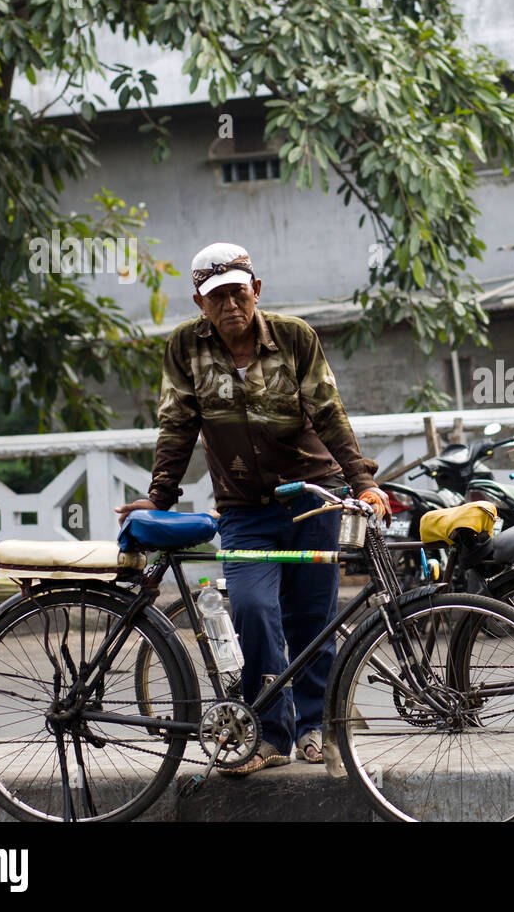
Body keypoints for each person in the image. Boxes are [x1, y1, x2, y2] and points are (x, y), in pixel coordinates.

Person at [115, 242, 389, 775]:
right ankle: (269, 733)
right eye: (217, 297)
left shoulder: (293, 337)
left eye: (238, 293)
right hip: (242, 505)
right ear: (200, 301)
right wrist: (160, 497)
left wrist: (361, 482)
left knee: (312, 617)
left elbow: (329, 411)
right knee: (252, 610)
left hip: (312, 496)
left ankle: (314, 728)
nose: (230, 306)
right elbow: (177, 425)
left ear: (256, 291)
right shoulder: (184, 348)